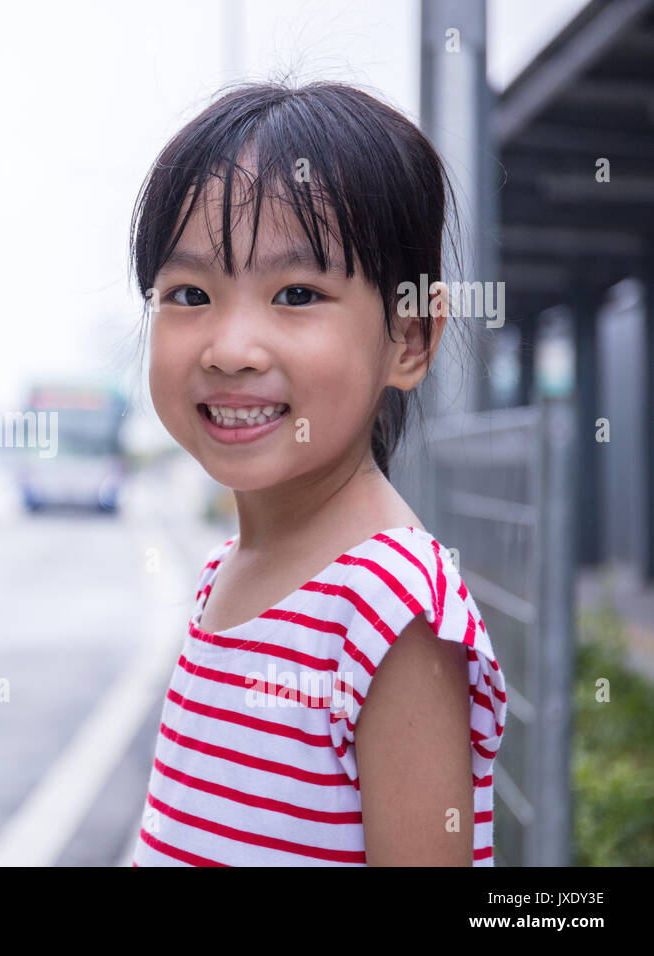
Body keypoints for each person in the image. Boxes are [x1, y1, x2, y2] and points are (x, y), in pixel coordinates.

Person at [128, 80, 508, 866]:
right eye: (190, 293)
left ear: (408, 339)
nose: (230, 347)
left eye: (297, 293)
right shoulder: (223, 574)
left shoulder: (390, 611)